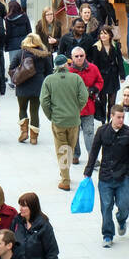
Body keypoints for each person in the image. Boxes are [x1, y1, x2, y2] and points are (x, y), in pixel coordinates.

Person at [84, 104, 129, 248]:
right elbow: (94, 152)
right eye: (118, 117)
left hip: (123, 178)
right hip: (106, 177)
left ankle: (121, 220)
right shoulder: (102, 131)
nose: (121, 120)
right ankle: (107, 235)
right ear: (112, 116)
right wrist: (88, 171)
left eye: (123, 117)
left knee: (124, 205)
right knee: (106, 207)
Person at [39, 54, 86, 192]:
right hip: (73, 120)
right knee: (69, 148)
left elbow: (44, 101)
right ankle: (65, 171)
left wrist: (51, 116)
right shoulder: (76, 78)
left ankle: (65, 179)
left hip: (58, 121)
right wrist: (76, 110)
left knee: (62, 149)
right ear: (66, 65)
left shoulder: (49, 80)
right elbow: (84, 96)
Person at [9, 33, 53, 145]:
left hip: (22, 85)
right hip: (38, 87)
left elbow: (11, 68)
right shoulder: (44, 55)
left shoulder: (21, 53)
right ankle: (34, 138)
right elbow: (49, 72)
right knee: (34, 111)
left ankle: (24, 132)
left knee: (22, 109)